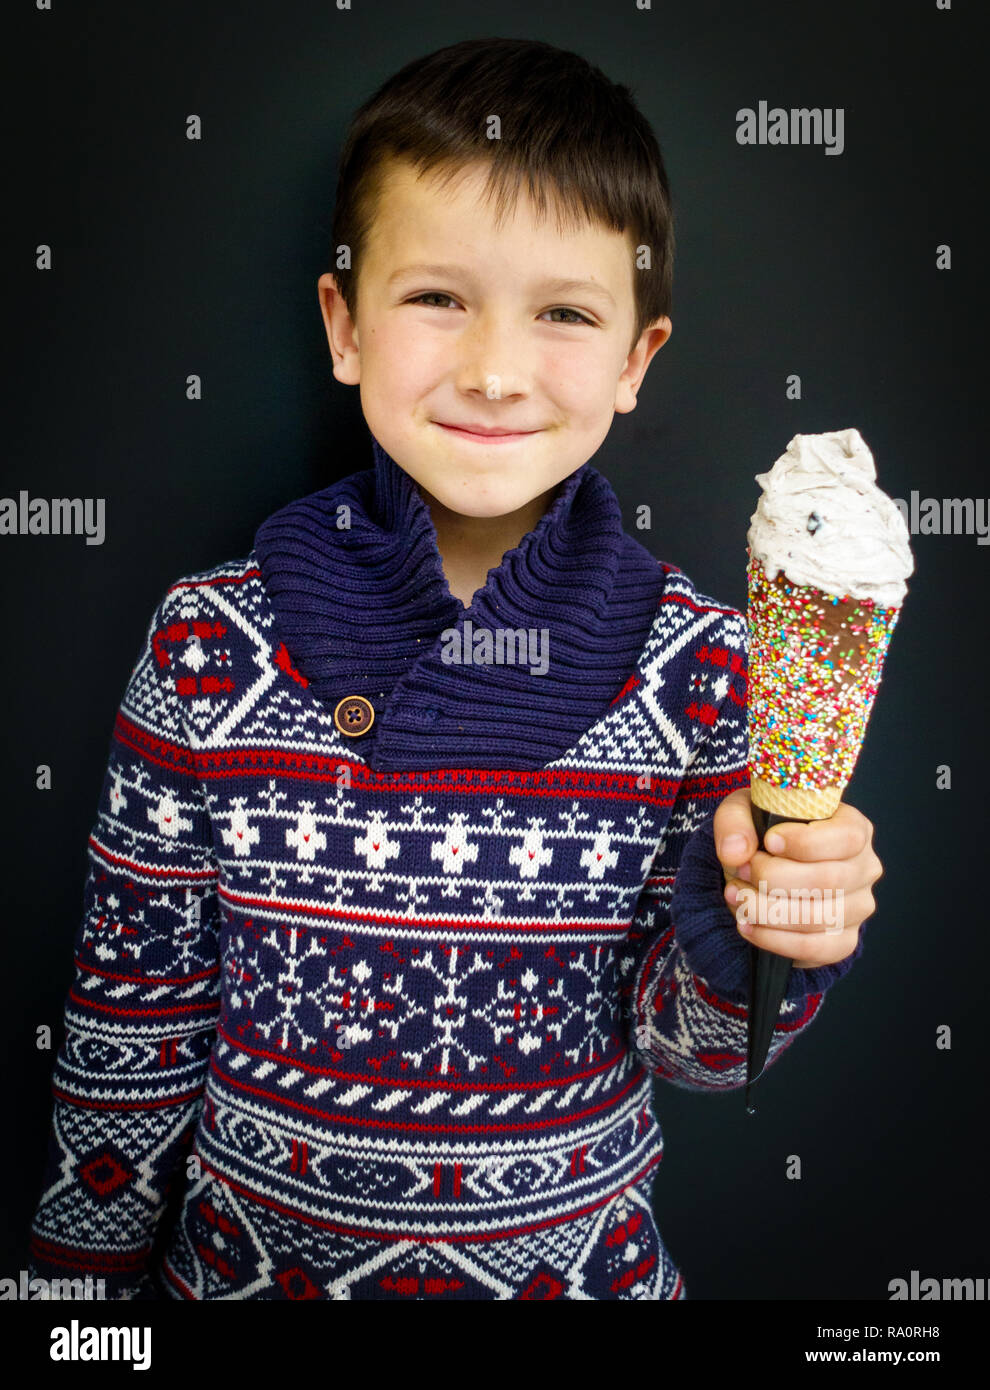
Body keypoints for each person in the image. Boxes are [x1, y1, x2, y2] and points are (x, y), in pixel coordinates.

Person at [27, 36, 883, 1301]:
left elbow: (694, 1054)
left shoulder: (708, 671)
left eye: (566, 314)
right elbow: (131, 1010)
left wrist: (768, 939)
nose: (493, 369)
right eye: (437, 297)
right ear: (344, 323)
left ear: (637, 360)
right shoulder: (207, 642)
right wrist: (70, 1305)